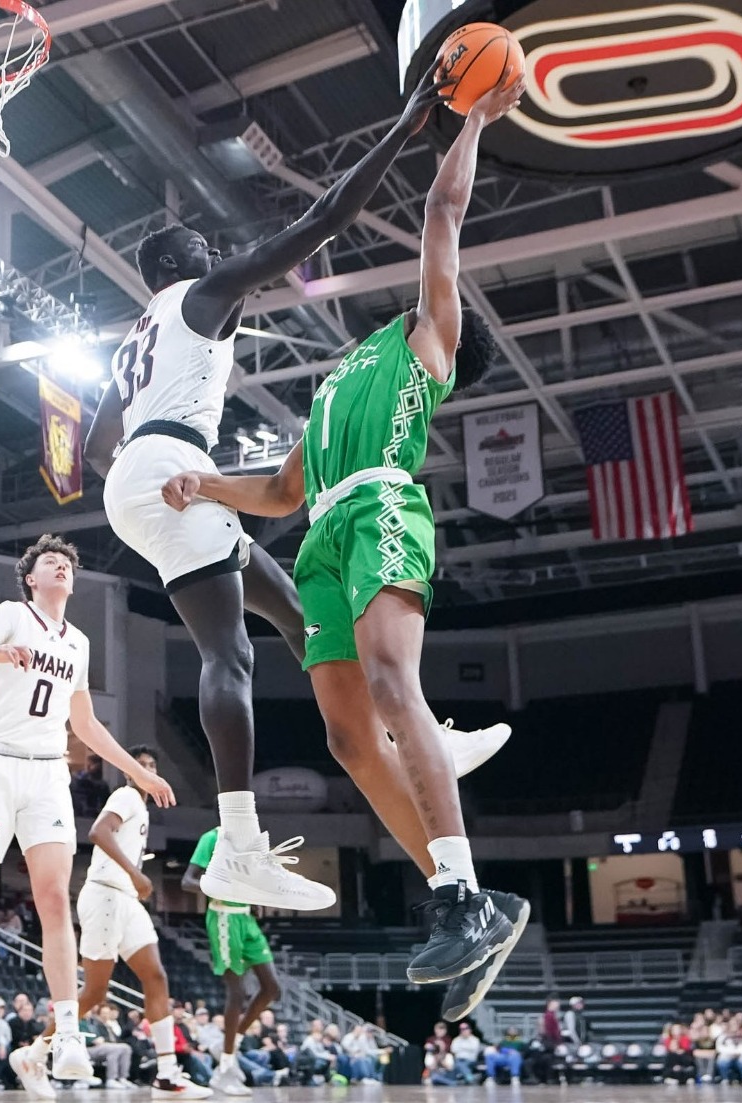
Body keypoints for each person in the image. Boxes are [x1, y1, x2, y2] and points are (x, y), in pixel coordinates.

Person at [161, 77, 530, 1015]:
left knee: (391, 681)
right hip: (324, 529)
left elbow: (444, 212)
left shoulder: (426, 347)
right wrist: (206, 483)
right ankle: (470, 903)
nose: (409, 306)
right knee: (345, 732)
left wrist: (474, 119)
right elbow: (283, 490)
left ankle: (455, 887)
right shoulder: (337, 385)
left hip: (382, 512)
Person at [82, 66, 458, 916]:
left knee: (292, 610)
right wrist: (402, 128)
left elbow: (97, 443)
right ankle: (240, 846)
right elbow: (323, 220)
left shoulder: (129, 343)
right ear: (182, 264)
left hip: (140, 476)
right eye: (206, 253)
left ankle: (413, 729)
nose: (219, 259)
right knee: (231, 653)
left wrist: (146, 488)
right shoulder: (199, 295)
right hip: (170, 470)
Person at [0, 537, 176, 1100]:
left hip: (48, 772)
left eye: (69, 564)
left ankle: (69, 1035)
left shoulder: (77, 641)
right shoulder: (9, 615)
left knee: (55, 900)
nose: (62, 567)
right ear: (31, 579)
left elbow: (87, 725)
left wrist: (138, 774)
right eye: (52, 562)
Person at [12, 747, 205, 1100]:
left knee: (156, 976)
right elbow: (99, 832)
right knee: (95, 992)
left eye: (151, 765)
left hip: (125, 901)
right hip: (105, 894)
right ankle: (33, 1054)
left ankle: (166, 1074)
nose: (146, 769)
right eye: (140, 765)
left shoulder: (141, 806)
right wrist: (135, 874)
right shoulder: (127, 795)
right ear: (129, 772)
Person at [181, 827, 281, 1091]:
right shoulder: (211, 838)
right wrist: (219, 888)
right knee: (237, 992)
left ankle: (230, 1041)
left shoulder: (250, 841)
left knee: (272, 989)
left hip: (246, 918)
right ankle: (225, 1067)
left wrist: (256, 899)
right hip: (223, 917)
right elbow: (187, 881)